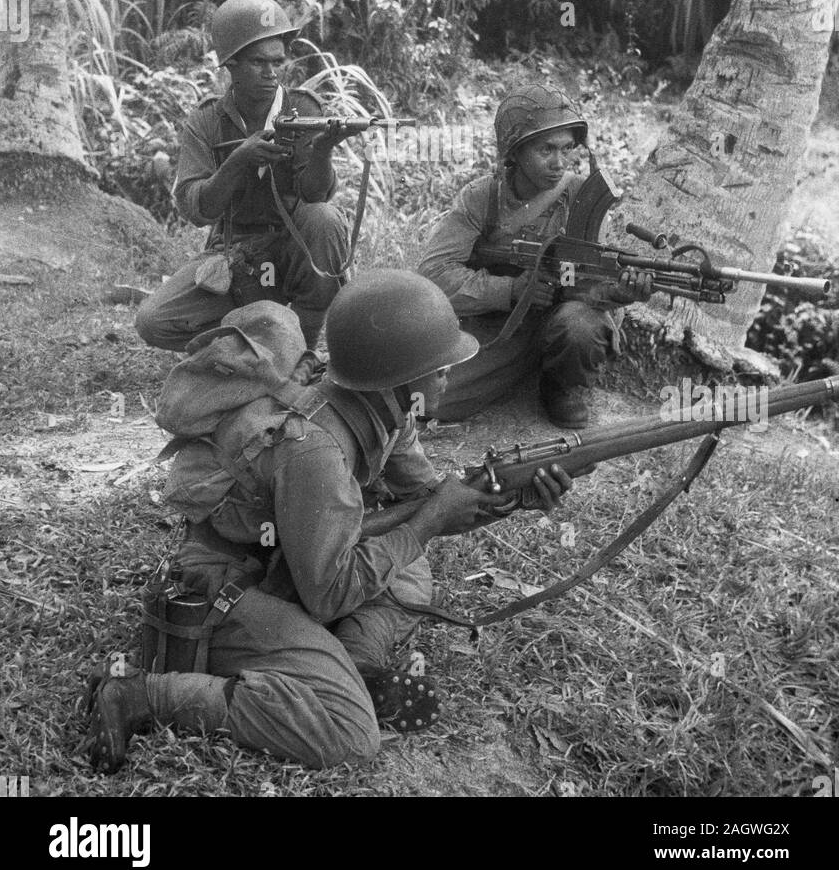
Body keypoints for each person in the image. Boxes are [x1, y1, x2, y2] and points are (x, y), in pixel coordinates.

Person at [86, 273, 571, 773]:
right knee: (349, 730)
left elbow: (432, 500)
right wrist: (427, 523)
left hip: (288, 559)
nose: (447, 377)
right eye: (440, 367)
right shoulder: (314, 449)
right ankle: (142, 693)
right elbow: (332, 591)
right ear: (400, 378)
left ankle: (355, 661)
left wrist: (514, 496)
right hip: (225, 589)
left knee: (411, 571)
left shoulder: (389, 413)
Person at [417, 83, 652, 426]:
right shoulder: (482, 198)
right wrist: (509, 290)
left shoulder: (579, 197)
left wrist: (619, 292)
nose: (560, 163)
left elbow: (589, 283)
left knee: (580, 326)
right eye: (546, 150)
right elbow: (433, 274)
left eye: (567, 148)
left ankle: (560, 386)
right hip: (499, 326)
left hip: (559, 318)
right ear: (515, 152)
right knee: (428, 401)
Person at [136, 0, 353, 352]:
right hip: (236, 254)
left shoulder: (302, 108)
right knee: (153, 321)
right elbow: (196, 209)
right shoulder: (207, 121)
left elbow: (315, 195)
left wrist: (323, 151)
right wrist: (239, 159)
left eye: (277, 62)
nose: (270, 72)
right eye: (257, 62)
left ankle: (303, 352)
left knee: (324, 219)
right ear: (231, 64)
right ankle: (250, 342)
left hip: (293, 246)